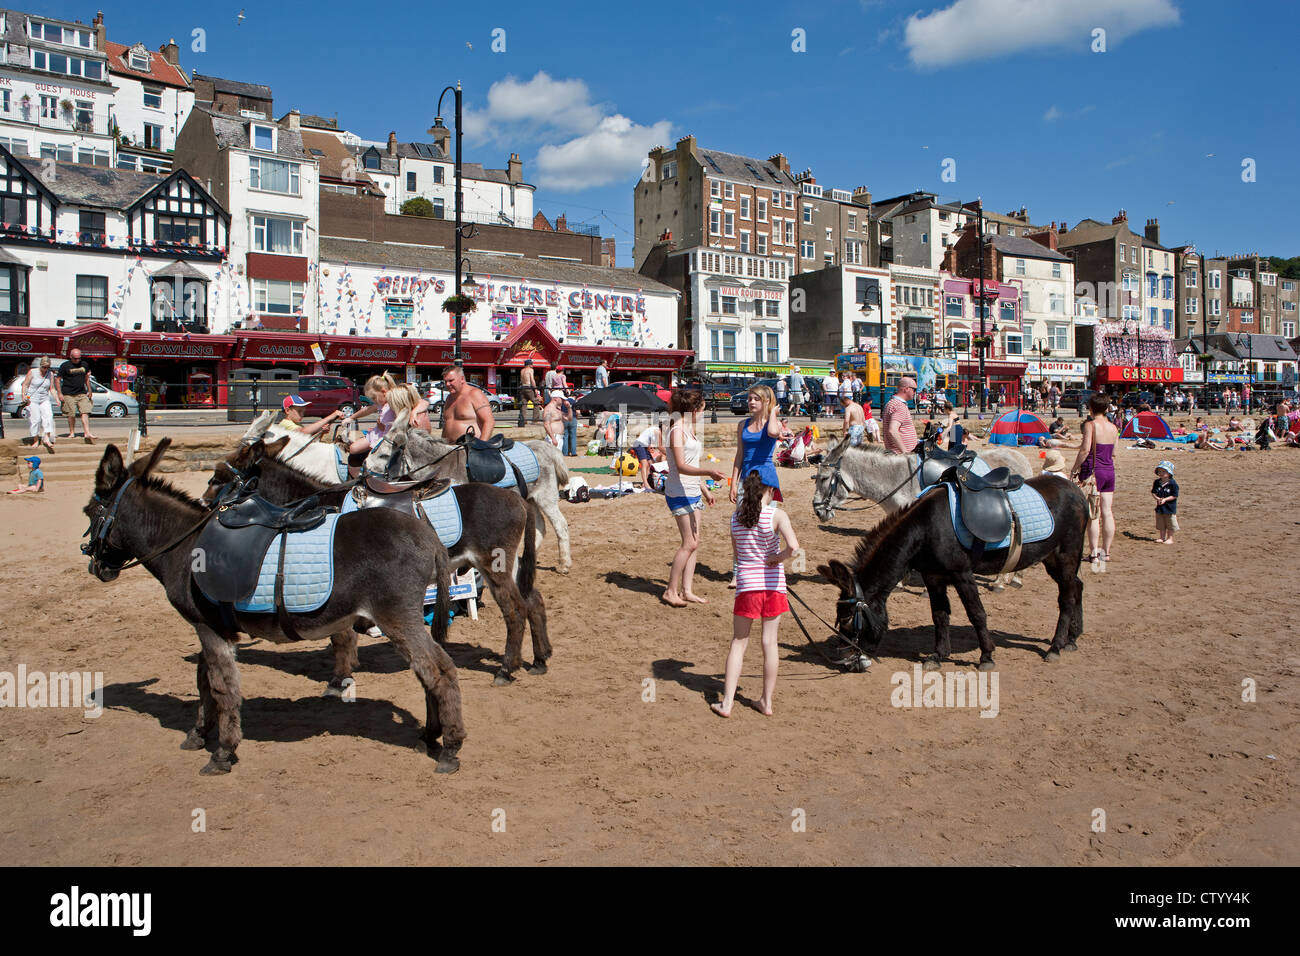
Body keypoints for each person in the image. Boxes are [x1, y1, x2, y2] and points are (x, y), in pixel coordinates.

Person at [711, 470, 799, 718]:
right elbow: (793, 547)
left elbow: (737, 556)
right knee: (769, 643)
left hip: (747, 585)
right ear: (769, 490)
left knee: (739, 642)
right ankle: (766, 702)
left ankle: (727, 703)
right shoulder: (777, 515)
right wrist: (776, 558)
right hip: (772, 586)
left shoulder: (735, 518)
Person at [662, 389, 726, 608]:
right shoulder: (677, 430)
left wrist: (705, 490)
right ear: (693, 409)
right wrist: (708, 473)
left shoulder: (688, 429)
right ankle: (671, 591)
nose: (702, 413)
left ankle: (686, 590)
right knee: (689, 543)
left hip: (692, 491)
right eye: (702, 409)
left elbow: (691, 462)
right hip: (678, 492)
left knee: (695, 543)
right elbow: (679, 466)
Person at [1071, 394, 1119, 573]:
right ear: (1106, 408)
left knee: (1094, 515)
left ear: (1090, 408)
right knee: (1107, 511)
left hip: (1094, 472)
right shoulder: (1114, 428)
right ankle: (1106, 552)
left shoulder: (1091, 425)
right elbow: (1114, 453)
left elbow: (1085, 450)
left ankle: (1093, 553)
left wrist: (1075, 468)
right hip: (1109, 471)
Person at [730, 384, 791, 507]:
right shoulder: (742, 425)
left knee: (765, 520)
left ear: (766, 402)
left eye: (757, 399)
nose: (752, 402)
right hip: (746, 477)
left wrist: (772, 412)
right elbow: (740, 455)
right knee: (744, 519)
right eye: (750, 399)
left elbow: (773, 433)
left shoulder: (774, 424)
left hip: (766, 477)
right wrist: (733, 483)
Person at [341, 372, 397, 455]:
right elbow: (367, 410)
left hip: (388, 437)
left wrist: (385, 428)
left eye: (374, 398)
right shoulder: (381, 403)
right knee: (353, 448)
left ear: (384, 392)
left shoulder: (394, 403)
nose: (374, 401)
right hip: (377, 433)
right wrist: (351, 418)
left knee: (373, 454)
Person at [441, 365, 494, 441]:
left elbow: (489, 421)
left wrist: (482, 446)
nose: (447, 384)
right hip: (450, 448)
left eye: (451, 380)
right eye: (445, 381)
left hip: (471, 448)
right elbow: (446, 424)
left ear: (462, 379)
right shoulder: (449, 398)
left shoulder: (475, 394)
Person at [21, 356, 60, 453]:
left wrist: (57, 398)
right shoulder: (33, 372)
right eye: (44, 367)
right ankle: (35, 439)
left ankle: (46, 437)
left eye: (47, 367)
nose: (45, 369)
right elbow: (25, 384)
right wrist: (24, 395)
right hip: (32, 399)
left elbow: (51, 388)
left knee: (49, 416)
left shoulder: (50, 374)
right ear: (40, 366)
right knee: (36, 419)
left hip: (44, 398)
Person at [58, 348, 95, 442]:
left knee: (85, 412)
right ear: (71, 357)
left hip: (81, 392)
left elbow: (87, 378)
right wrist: (59, 393)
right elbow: (57, 379)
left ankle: (87, 432)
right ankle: (72, 432)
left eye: (79, 358)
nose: (77, 360)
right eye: (75, 358)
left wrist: (89, 390)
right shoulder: (65, 365)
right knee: (71, 414)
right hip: (68, 393)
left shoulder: (84, 364)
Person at [882, 376, 919, 454]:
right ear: (906, 389)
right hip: (901, 457)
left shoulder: (891, 403)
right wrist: (905, 452)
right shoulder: (899, 406)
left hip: (895, 454)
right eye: (914, 389)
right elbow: (893, 430)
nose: (915, 392)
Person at [279, 394, 344, 436]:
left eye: (303, 412)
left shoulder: (298, 425)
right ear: (287, 411)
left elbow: (307, 440)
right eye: (299, 411)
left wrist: (321, 432)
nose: (302, 414)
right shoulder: (285, 423)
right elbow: (303, 433)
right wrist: (331, 416)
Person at [1152, 461, 1179, 545]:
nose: (1161, 473)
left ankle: (1170, 538)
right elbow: (1153, 492)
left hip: (1169, 508)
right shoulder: (1157, 482)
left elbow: (1174, 495)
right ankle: (1162, 537)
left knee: (1170, 524)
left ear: (1169, 473)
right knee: (1161, 524)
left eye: (1164, 471)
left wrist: (1165, 499)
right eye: (1159, 471)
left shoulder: (1173, 484)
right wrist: (1157, 498)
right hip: (1160, 508)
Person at [631, 421, 663, 489]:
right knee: (644, 463)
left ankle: (645, 483)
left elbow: (647, 437)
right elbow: (660, 447)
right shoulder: (658, 431)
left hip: (644, 445)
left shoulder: (656, 429)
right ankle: (645, 484)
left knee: (651, 463)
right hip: (639, 444)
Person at [560, 389, 578, 456]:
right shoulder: (574, 401)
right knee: (573, 436)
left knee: (565, 436)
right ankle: (573, 452)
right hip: (573, 418)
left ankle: (565, 453)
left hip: (564, 419)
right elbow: (578, 412)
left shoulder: (562, 402)